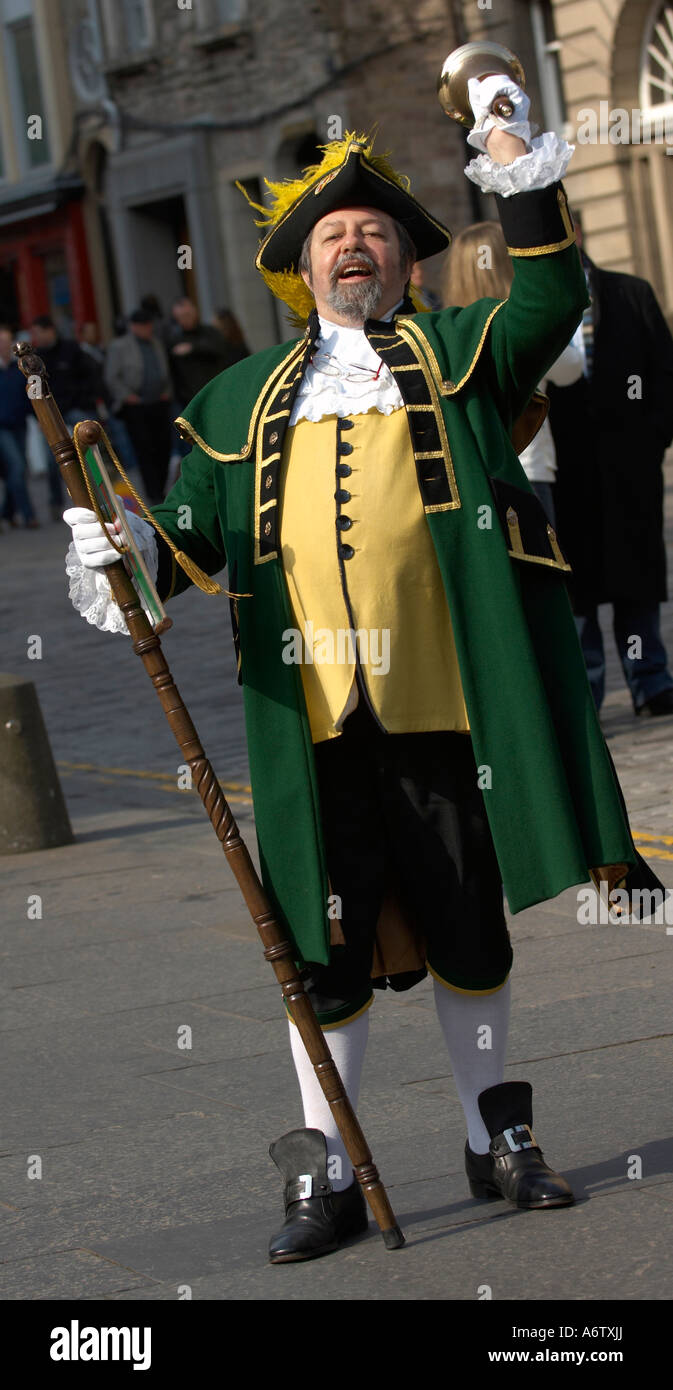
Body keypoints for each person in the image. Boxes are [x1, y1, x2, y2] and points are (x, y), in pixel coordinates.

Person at [62, 78, 664, 1264]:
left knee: (467, 931)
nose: (354, 246)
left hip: (446, 712)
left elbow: (545, 292)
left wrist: (505, 143)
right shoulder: (231, 403)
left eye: (375, 232)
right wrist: (118, 547)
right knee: (317, 950)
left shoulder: (459, 355)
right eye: (333, 233)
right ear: (301, 264)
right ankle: (324, 1174)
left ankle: (498, 1140)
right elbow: (178, 550)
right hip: (313, 727)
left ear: (404, 259)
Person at [548, 220, 673, 716]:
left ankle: (650, 678)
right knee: (578, 590)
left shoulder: (629, 293)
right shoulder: (535, 302)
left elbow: (663, 371)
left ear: (575, 232)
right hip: (567, 470)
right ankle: (590, 691)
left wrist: (653, 439)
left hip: (629, 466)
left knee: (636, 579)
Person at [442, 220, 584, 526]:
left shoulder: (445, 333)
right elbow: (572, 369)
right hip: (527, 467)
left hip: (471, 475)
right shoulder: (521, 330)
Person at [29, 315, 100, 521]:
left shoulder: (71, 349)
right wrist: (39, 414)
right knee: (54, 460)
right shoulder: (35, 357)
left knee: (90, 449)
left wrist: (83, 399)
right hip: (51, 414)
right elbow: (32, 390)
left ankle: (101, 490)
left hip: (75, 407)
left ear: (50, 330)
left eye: (39, 332)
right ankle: (56, 502)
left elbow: (88, 376)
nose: (37, 337)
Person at [104, 308, 173, 505]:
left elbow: (164, 370)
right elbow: (112, 377)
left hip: (158, 402)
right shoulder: (120, 347)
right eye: (143, 326)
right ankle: (153, 492)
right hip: (136, 406)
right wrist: (127, 396)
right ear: (134, 327)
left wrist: (167, 392)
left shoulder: (156, 343)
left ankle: (160, 487)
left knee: (163, 446)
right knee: (145, 449)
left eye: (149, 325)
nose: (147, 329)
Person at [169, 297, 246, 409]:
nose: (185, 319)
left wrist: (193, 348)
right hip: (188, 398)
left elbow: (219, 349)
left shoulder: (210, 332)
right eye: (180, 317)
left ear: (194, 312)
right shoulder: (174, 338)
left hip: (214, 391)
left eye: (187, 315)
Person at [0, 324, 38, 528]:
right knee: (17, 466)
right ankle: (28, 515)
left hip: (19, 425)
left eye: (7, 341)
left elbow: (30, 395)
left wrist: (40, 419)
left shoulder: (19, 368)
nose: (4, 345)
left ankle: (6, 513)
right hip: (2, 428)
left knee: (15, 472)